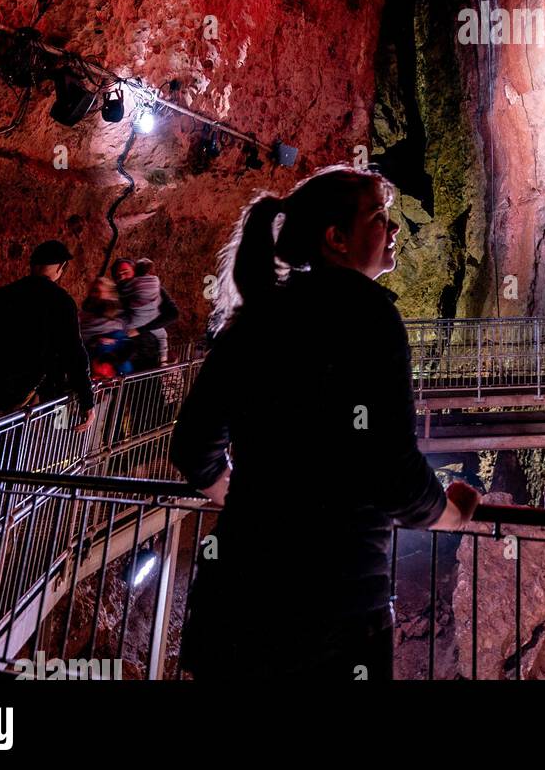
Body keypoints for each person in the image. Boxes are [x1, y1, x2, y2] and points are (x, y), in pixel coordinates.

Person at [170, 164, 479, 680]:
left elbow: (193, 446)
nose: (394, 228)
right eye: (379, 216)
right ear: (336, 238)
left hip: (235, 600)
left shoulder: (255, 317)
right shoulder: (369, 316)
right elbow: (393, 471)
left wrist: (253, 499)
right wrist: (450, 514)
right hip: (331, 608)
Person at [0, 239, 94, 431]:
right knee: (2, 452)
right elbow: (72, 354)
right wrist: (87, 400)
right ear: (61, 267)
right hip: (13, 396)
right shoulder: (60, 302)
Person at [112, 257, 178, 370]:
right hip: (123, 349)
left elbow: (173, 314)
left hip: (147, 350)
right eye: (118, 276)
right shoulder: (114, 294)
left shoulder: (152, 290)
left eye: (126, 273)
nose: (122, 277)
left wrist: (140, 330)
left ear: (135, 272)